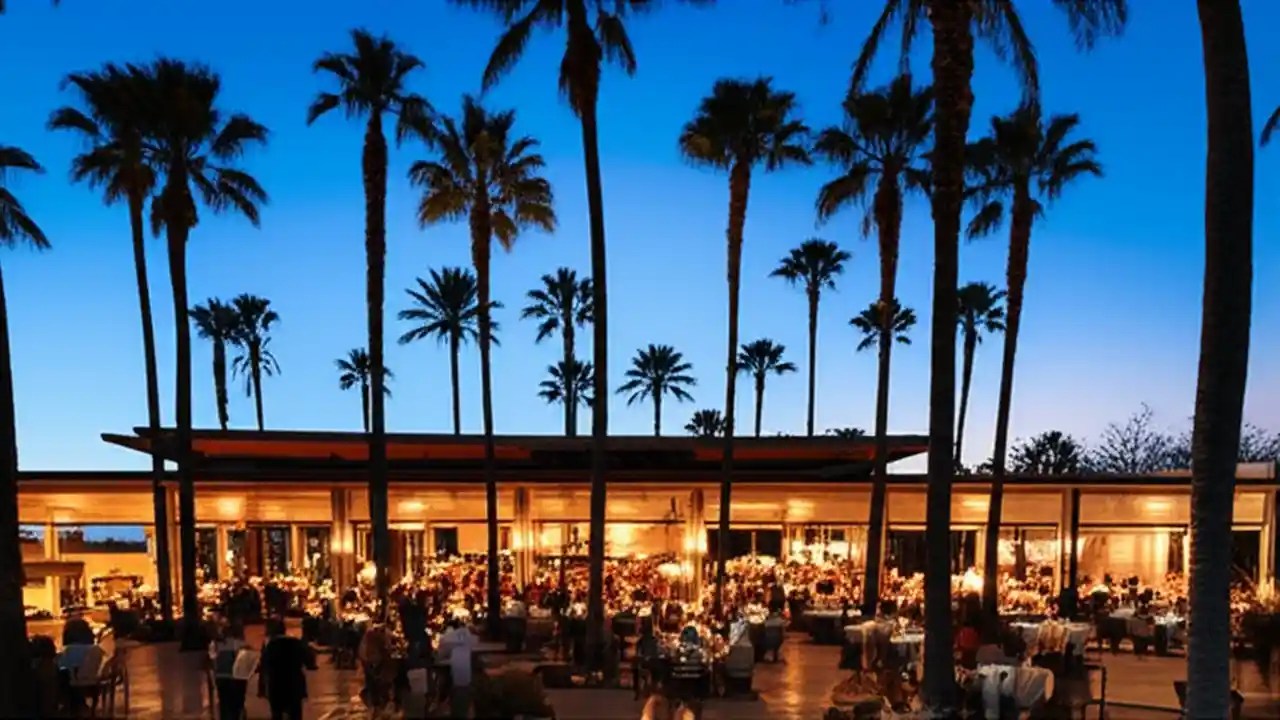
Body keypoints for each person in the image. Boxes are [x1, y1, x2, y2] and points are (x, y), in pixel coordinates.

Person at [259, 618, 314, 720]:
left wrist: (262, 688)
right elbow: (309, 662)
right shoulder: (296, 643)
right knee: (295, 714)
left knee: (277, 714)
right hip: (295, 684)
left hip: (276, 685)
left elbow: (264, 666)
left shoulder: (270, 645)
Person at [210, 620, 252, 720]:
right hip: (238, 678)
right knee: (237, 704)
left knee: (224, 704)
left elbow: (211, 659)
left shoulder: (216, 644)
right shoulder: (240, 643)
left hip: (222, 677)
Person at [439, 618, 477, 719]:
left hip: (456, 681)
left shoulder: (446, 638)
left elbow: (440, 656)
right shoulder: (471, 637)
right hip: (468, 681)